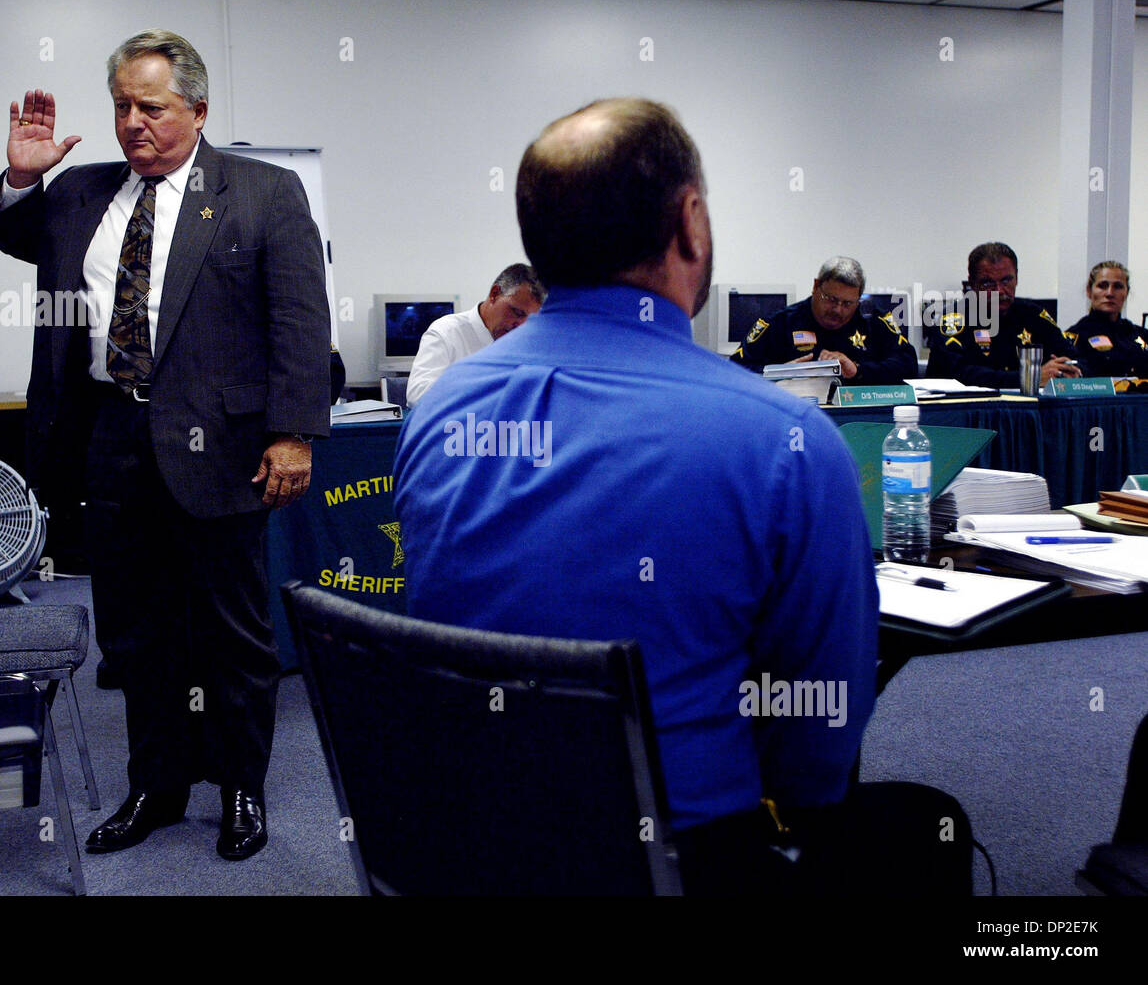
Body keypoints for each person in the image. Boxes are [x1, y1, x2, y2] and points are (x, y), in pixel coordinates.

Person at [393, 97, 971, 895]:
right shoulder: (786, 442)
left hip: (470, 842)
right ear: (691, 224)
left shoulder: (441, 414)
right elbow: (819, 741)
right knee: (932, 831)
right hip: (680, 862)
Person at [0, 29, 331, 861]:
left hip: (225, 446)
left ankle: (241, 787)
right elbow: (16, 231)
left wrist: (295, 434)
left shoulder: (263, 191)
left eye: (152, 106)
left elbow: (298, 322)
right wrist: (23, 177)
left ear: (199, 109)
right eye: (121, 106)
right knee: (136, 630)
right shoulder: (79, 195)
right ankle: (157, 785)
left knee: (232, 630)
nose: (132, 122)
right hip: (112, 435)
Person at [731, 257, 916, 385]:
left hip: (862, 417)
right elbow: (734, 371)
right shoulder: (780, 324)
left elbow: (908, 365)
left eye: (848, 303)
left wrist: (858, 370)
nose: (838, 309)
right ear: (815, 287)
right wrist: (779, 373)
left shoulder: (874, 321)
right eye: (831, 299)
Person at [926, 241, 1080, 388]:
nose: (999, 291)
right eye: (988, 283)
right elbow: (959, 374)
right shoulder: (954, 319)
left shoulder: (1033, 314)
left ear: (1017, 278)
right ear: (972, 284)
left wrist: (1068, 370)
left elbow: (1075, 357)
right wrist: (1028, 378)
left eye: (1006, 280)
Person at [405, 264, 545, 407]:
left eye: (529, 319)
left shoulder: (526, 342)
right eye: (517, 313)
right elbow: (418, 394)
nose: (520, 325)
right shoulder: (447, 332)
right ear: (495, 294)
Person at [1066, 261, 1148, 378]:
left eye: (1118, 287)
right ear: (1089, 291)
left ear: (1127, 292)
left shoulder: (1140, 335)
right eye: (1102, 286)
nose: (1110, 293)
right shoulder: (1074, 337)